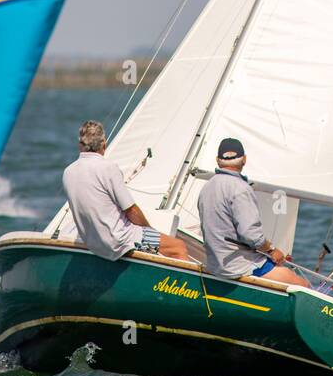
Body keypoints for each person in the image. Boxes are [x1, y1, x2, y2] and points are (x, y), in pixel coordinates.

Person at [63, 121, 188, 262]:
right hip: (119, 241)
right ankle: (172, 285)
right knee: (179, 247)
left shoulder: (68, 172)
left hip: (91, 241)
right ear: (104, 143)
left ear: (80, 145)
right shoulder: (108, 168)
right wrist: (149, 230)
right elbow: (131, 211)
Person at [197, 137, 309, 287]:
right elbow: (251, 235)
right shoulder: (241, 188)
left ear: (218, 160)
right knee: (301, 284)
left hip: (216, 265)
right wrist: (272, 250)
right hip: (238, 267)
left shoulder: (207, 187)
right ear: (244, 160)